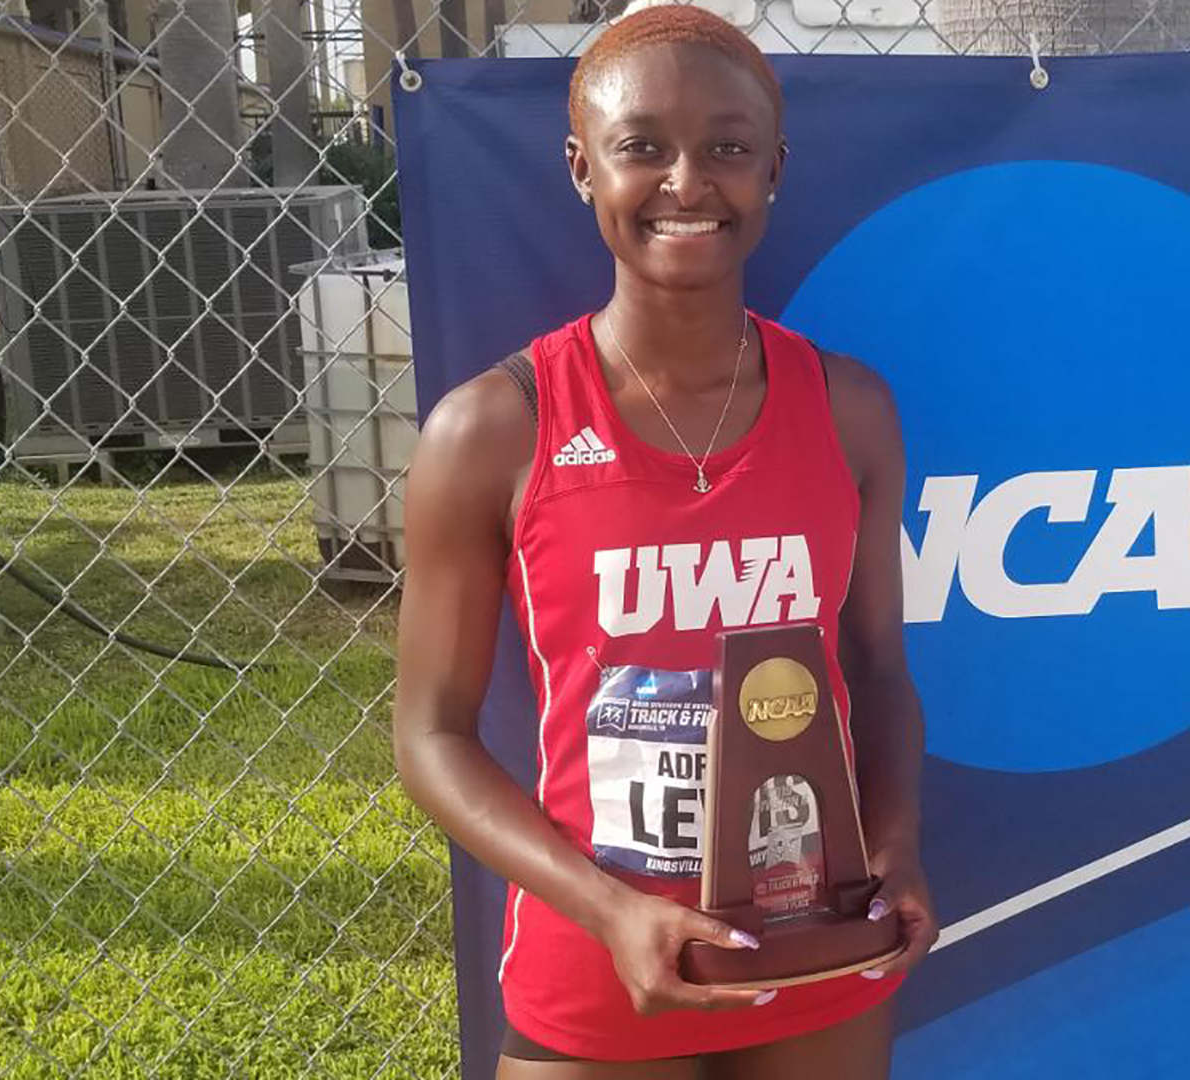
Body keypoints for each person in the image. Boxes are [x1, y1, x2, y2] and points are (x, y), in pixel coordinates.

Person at [391, 5, 938, 1077]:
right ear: (582, 167)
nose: (688, 182)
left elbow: (875, 673)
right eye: (642, 147)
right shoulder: (493, 428)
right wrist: (604, 908)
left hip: (816, 934)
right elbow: (430, 739)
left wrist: (897, 848)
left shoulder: (851, 411)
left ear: (773, 169)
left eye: (727, 148)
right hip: (599, 947)